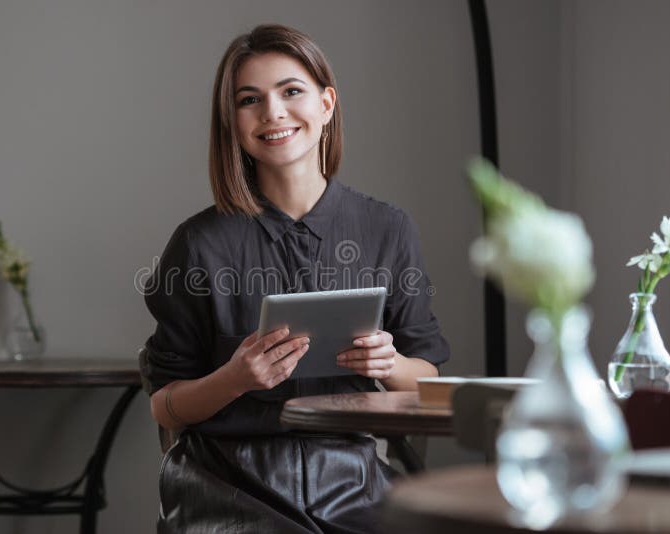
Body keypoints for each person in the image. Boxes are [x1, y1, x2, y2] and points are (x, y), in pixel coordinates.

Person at [139, 23, 450, 534]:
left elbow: (429, 381)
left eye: (291, 91)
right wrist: (234, 379)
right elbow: (165, 406)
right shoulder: (198, 243)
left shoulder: (387, 228)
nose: (273, 113)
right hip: (227, 481)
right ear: (233, 123)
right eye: (249, 100)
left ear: (327, 104)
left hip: (350, 477)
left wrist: (390, 361)